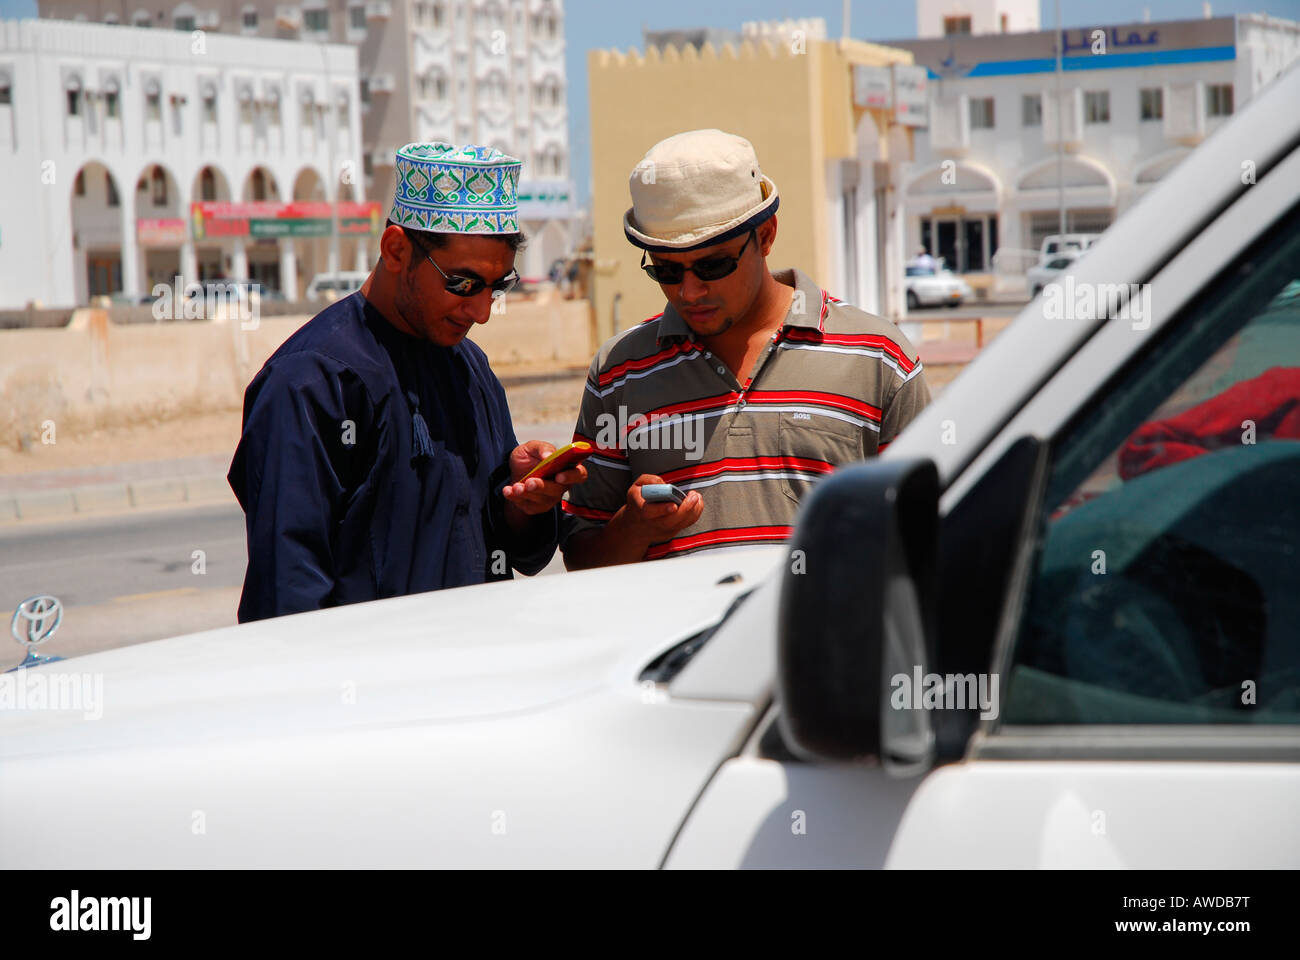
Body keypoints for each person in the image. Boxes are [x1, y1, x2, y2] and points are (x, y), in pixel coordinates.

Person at [228, 142, 585, 622]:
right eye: (463, 284)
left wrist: (528, 500)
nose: (481, 312)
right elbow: (286, 595)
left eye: (497, 287)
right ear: (396, 250)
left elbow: (510, 549)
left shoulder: (469, 367)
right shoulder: (309, 384)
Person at [561, 129, 931, 569]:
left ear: (767, 235)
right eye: (666, 270)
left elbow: (930, 532)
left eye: (712, 265)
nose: (689, 291)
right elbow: (582, 559)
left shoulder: (878, 358)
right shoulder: (618, 373)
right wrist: (634, 527)